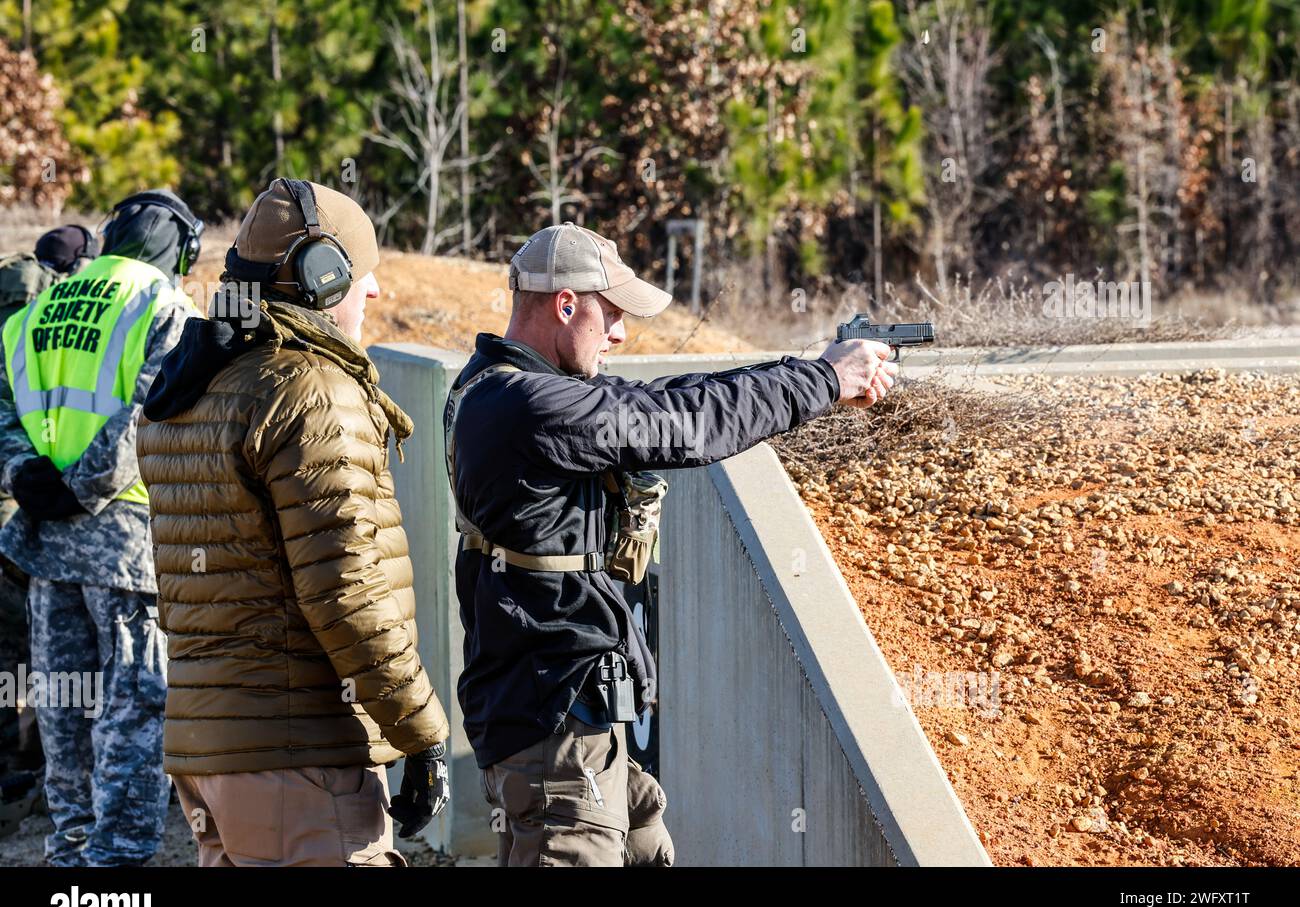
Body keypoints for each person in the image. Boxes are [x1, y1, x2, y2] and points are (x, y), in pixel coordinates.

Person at [445, 221, 897, 866]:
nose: (621, 335)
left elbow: (672, 397)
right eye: (613, 315)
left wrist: (813, 370)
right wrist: (823, 382)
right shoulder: (528, 404)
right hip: (553, 725)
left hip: (569, 718)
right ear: (566, 304)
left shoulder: (504, 385)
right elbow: (684, 427)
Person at [137, 178, 451, 867]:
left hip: (212, 757)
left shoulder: (194, 387)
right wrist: (423, 732)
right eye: (363, 275)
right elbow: (347, 592)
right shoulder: (310, 392)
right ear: (321, 274)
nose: (373, 294)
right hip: (298, 758)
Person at [0, 190, 203, 864]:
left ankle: (72, 861)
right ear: (181, 246)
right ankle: (116, 874)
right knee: (134, 712)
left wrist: (25, 472)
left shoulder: (40, 306)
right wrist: (81, 485)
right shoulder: (166, 306)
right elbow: (149, 411)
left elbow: (6, 400)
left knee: (62, 718)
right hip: (125, 547)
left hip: (47, 544)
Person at [0, 225, 99, 784]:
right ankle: (35, 766)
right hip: (28, 498)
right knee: (39, 640)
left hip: (13, 480)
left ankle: (21, 767)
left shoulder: (13, 295)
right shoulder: (51, 313)